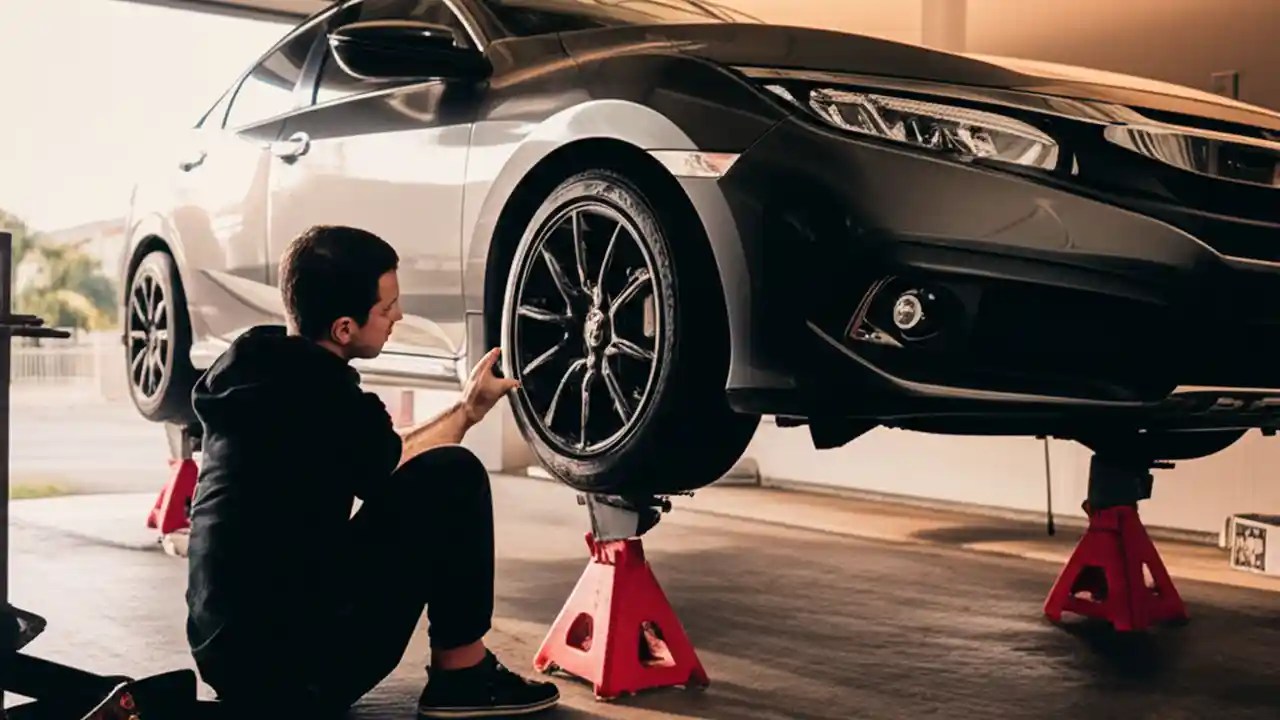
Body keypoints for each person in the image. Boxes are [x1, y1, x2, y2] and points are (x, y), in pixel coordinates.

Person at [183, 225, 561, 718]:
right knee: (456, 474)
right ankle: (463, 675)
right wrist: (467, 415)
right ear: (344, 328)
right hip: (297, 676)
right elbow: (418, 470)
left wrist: (467, 409)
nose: (397, 316)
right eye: (386, 309)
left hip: (228, 659)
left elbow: (386, 458)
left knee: (434, 476)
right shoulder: (327, 399)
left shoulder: (256, 373)